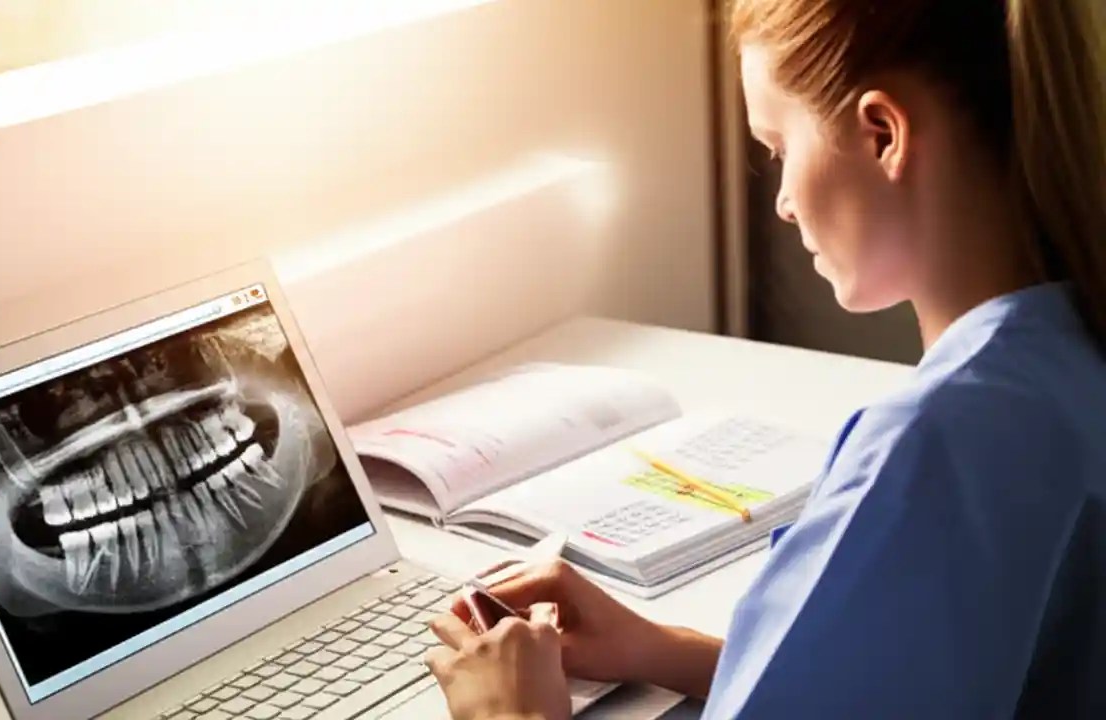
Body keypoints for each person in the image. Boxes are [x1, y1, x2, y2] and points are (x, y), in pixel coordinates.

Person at [423, 0, 1106, 717]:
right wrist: (661, 648)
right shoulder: (1061, 356)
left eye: (779, 147)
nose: (781, 202)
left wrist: (514, 712)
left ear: (882, 134)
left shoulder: (936, 445)